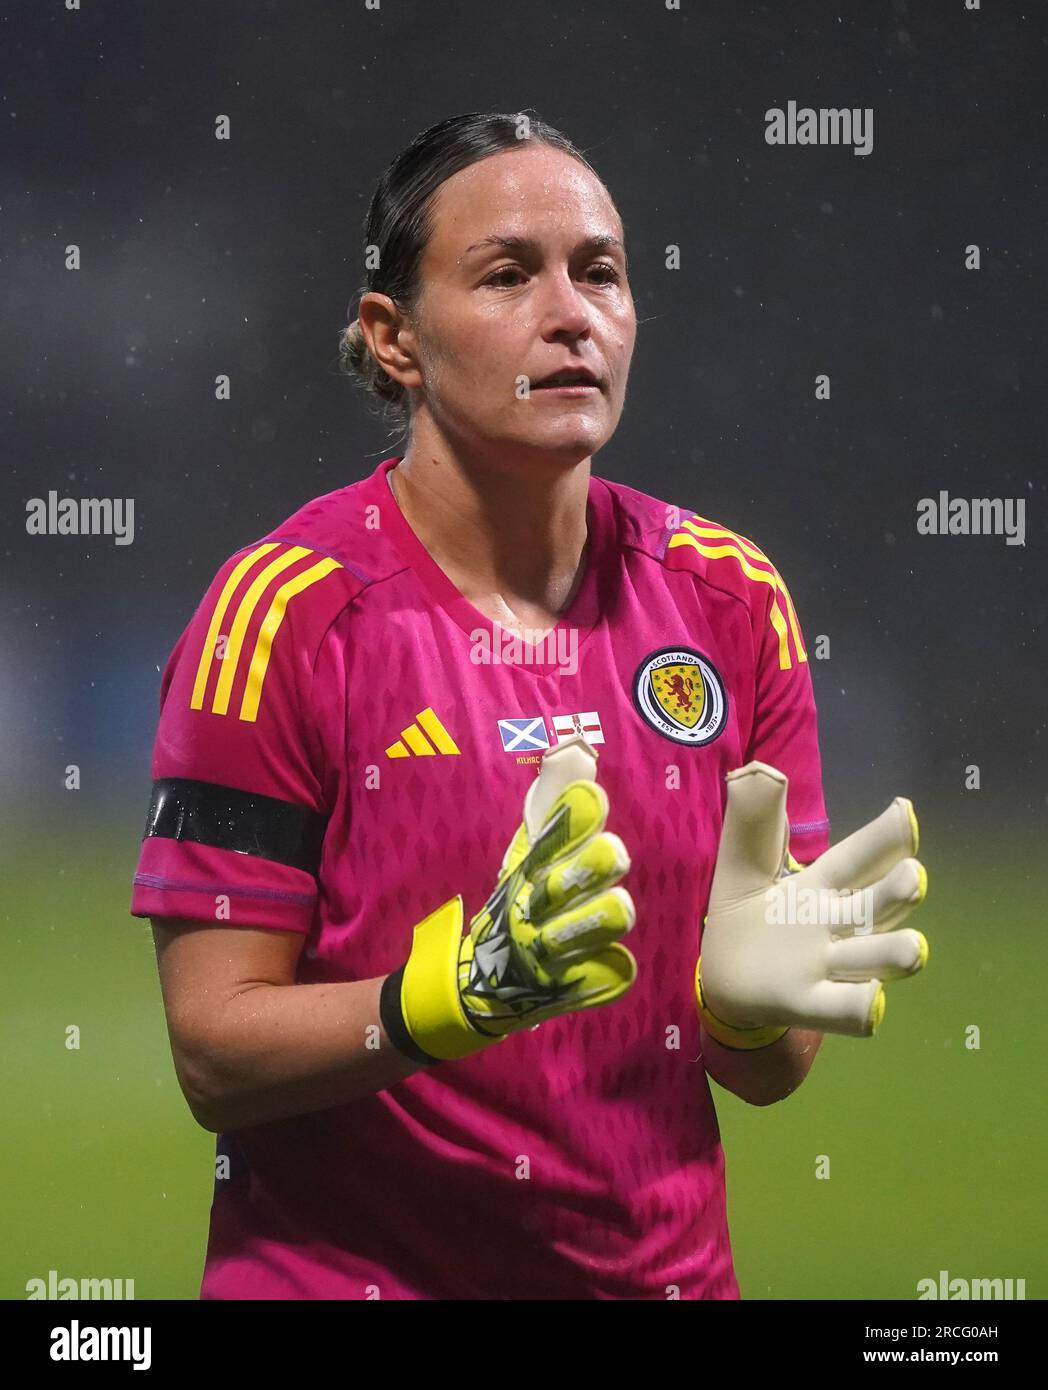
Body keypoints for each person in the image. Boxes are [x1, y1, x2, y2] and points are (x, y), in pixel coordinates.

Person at [130, 110, 919, 1300]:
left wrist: (753, 1015)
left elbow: (765, 1070)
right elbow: (214, 1051)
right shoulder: (282, 616)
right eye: (507, 275)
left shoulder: (729, 600)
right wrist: (445, 999)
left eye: (598, 272)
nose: (571, 314)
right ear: (392, 337)